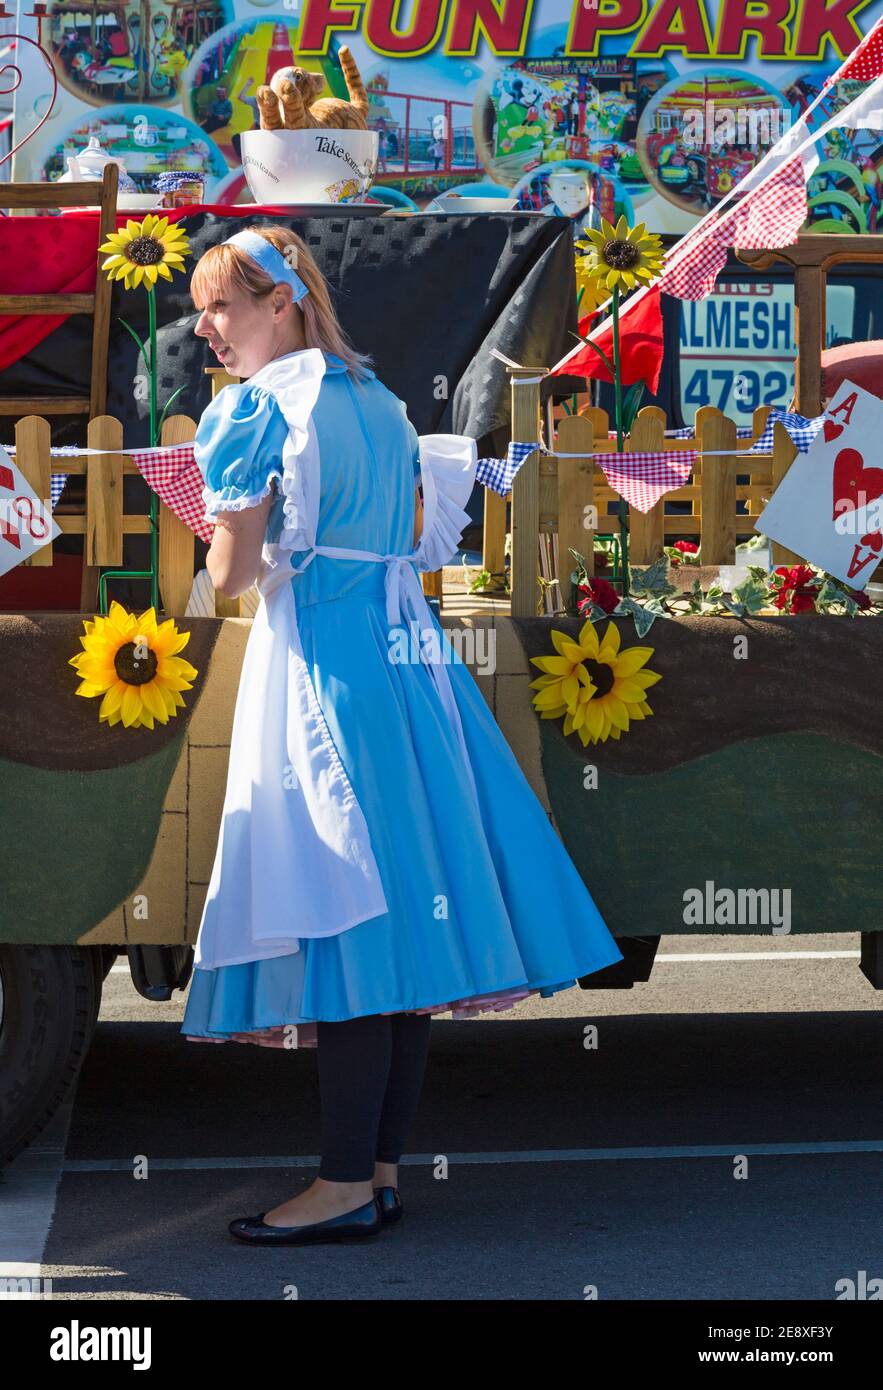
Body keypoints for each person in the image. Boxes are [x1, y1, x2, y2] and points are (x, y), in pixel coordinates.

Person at [180, 224, 624, 1246]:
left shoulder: (259, 412)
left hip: (328, 683)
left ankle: (343, 1181)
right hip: (409, 680)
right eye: (205, 308)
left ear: (281, 305)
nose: (208, 329)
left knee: (349, 923)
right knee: (403, 929)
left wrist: (217, 526)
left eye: (223, 307)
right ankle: (374, 1170)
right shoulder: (378, 402)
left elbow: (233, 577)